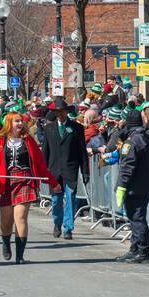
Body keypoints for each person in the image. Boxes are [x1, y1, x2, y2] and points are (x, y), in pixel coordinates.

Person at [0, 112, 58, 263]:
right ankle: (5, 243)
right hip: (4, 182)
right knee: (6, 221)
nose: (20, 124)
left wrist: (53, 182)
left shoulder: (28, 141)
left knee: (21, 218)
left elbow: (40, 164)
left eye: (21, 121)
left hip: (25, 181)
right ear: (9, 123)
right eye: (17, 121)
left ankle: (20, 256)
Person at [114, 109, 149, 263]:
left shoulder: (131, 142)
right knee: (135, 218)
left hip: (134, 186)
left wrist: (121, 186)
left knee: (137, 218)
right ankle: (134, 249)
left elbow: (127, 166)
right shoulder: (148, 138)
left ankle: (143, 251)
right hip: (145, 183)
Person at [42, 96, 86, 240]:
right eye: (57, 112)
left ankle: (68, 228)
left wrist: (85, 171)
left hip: (71, 169)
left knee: (71, 198)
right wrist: (43, 171)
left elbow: (82, 151)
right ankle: (57, 223)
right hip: (54, 170)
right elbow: (45, 151)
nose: (59, 114)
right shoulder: (49, 128)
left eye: (61, 111)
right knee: (56, 200)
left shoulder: (77, 128)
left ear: (66, 112)